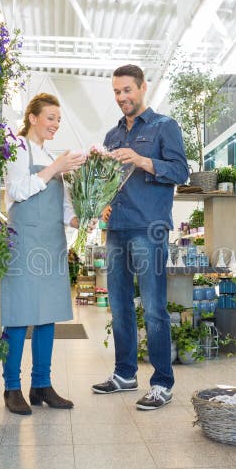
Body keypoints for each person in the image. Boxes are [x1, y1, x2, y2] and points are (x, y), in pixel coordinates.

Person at [91, 64, 189, 410]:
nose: (122, 98)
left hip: (150, 228)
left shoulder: (164, 127)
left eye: (127, 90)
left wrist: (143, 160)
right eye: (117, 92)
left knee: (153, 308)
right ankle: (125, 374)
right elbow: (105, 180)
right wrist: (101, 203)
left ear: (143, 87)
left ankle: (162, 383)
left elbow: (180, 171)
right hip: (116, 228)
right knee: (118, 306)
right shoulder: (112, 136)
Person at [1, 93, 86, 415]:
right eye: (51, 117)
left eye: (58, 120)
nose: (55, 124)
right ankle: (12, 387)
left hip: (51, 242)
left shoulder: (51, 156)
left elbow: (64, 209)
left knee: (48, 315)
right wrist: (55, 167)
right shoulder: (18, 148)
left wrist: (84, 217)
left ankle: (41, 385)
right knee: (19, 316)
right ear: (33, 117)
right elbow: (18, 190)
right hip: (23, 241)